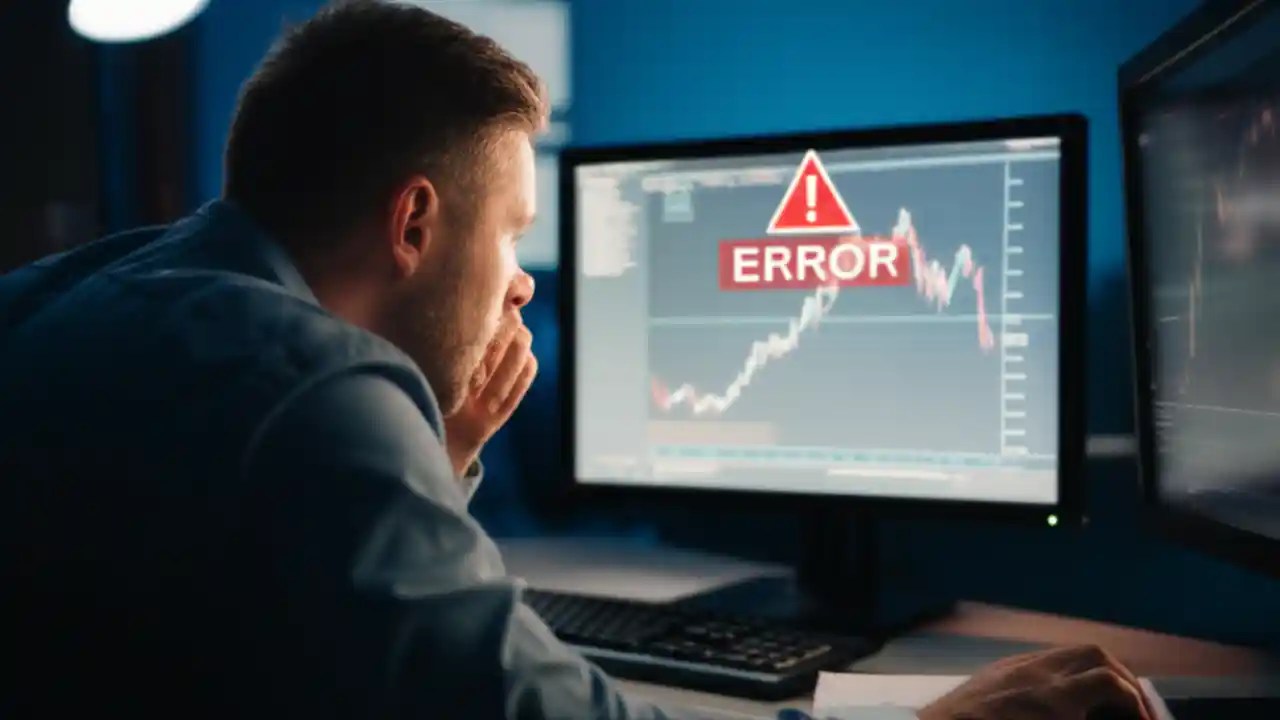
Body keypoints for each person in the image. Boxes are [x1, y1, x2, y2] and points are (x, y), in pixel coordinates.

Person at [0, 1, 1155, 718]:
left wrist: (435, 454)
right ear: (412, 223)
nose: (521, 281)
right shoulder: (310, 388)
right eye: (506, 227)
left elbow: (306, 599)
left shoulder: (79, 293)